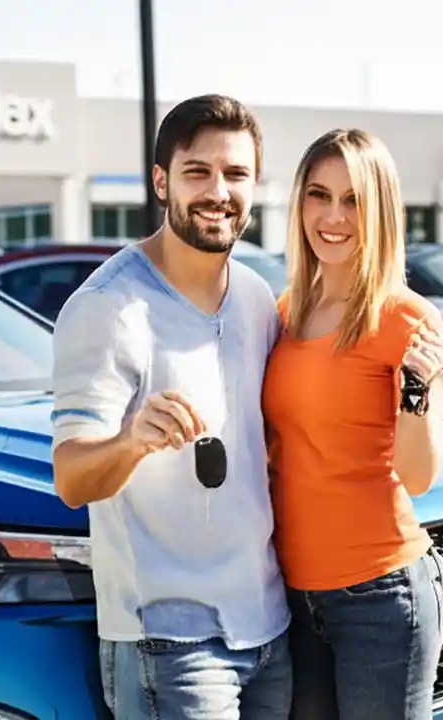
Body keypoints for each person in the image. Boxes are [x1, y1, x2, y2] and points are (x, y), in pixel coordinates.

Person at [49, 94, 291, 718]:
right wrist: (130, 442)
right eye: (197, 172)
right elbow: (72, 478)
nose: (219, 191)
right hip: (171, 644)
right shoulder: (107, 307)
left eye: (236, 174)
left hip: (269, 627)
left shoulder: (259, 299)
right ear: (161, 182)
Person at [261, 128, 443, 719]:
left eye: (354, 200)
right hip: (291, 594)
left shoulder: (408, 319)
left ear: (380, 211)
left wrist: (415, 391)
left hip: (380, 595)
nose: (334, 216)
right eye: (320, 195)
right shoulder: (284, 312)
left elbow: (418, 476)